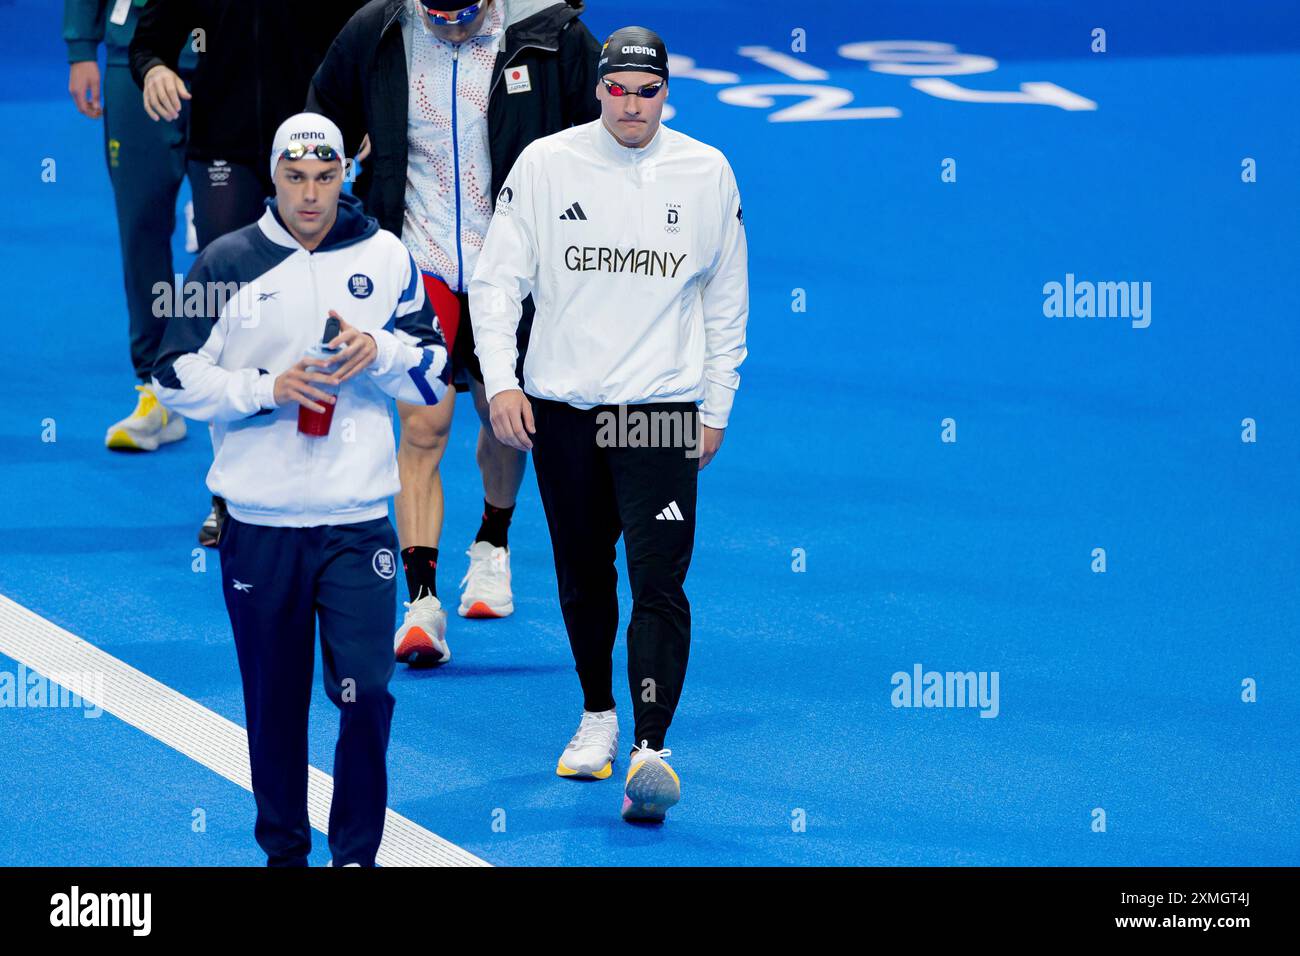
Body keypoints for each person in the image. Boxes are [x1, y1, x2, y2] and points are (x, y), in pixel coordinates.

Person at [151, 114, 451, 866]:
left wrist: (377, 349)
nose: (311, 196)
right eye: (295, 179)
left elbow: (435, 366)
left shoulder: (386, 257)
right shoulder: (225, 262)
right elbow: (171, 372)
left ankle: (355, 854)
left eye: (325, 178)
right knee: (275, 710)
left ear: (345, 173)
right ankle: (284, 853)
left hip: (357, 524)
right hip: (259, 524)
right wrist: (266, 388)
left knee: (367, 695)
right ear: (274, 176)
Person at [469, 27, 749, 822]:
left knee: (660, 578)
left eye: (648, 91)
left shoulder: (706, 172)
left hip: (660, 412)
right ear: (598, 88)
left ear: (668, 94)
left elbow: (726, 303)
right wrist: (501, 384)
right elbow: (496, 284)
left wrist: (716, 404)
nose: (632, 105)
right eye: (618, 89)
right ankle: (598, 713)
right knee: (584, 575)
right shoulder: (548, 164)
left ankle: (650, 747)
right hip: (562, 410)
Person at [306, 0, 601, 666]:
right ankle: (421, 604)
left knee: (505, 421)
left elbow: (602, 131)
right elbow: (321, 117)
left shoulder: (550, 32)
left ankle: (493, 542)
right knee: (423, 428)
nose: (452, 26)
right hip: (421, 260)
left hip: (516, 267)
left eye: (465, 13)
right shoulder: (378, 32)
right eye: (437, 15)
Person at [129, 0, 365, 546]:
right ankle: (228, 494)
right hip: (223, 147)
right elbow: (149, 43)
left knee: (314, 308)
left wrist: (363, 119)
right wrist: (156, 71)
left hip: (314, 153)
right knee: (230, 320)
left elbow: (366, 40)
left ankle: (325, 480)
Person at [64, 0, 194, 451]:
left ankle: (251, 384)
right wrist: (82, 46)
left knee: (244, 228)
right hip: (135, 50)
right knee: (140, 225)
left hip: (237, 49)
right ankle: (158, 387)